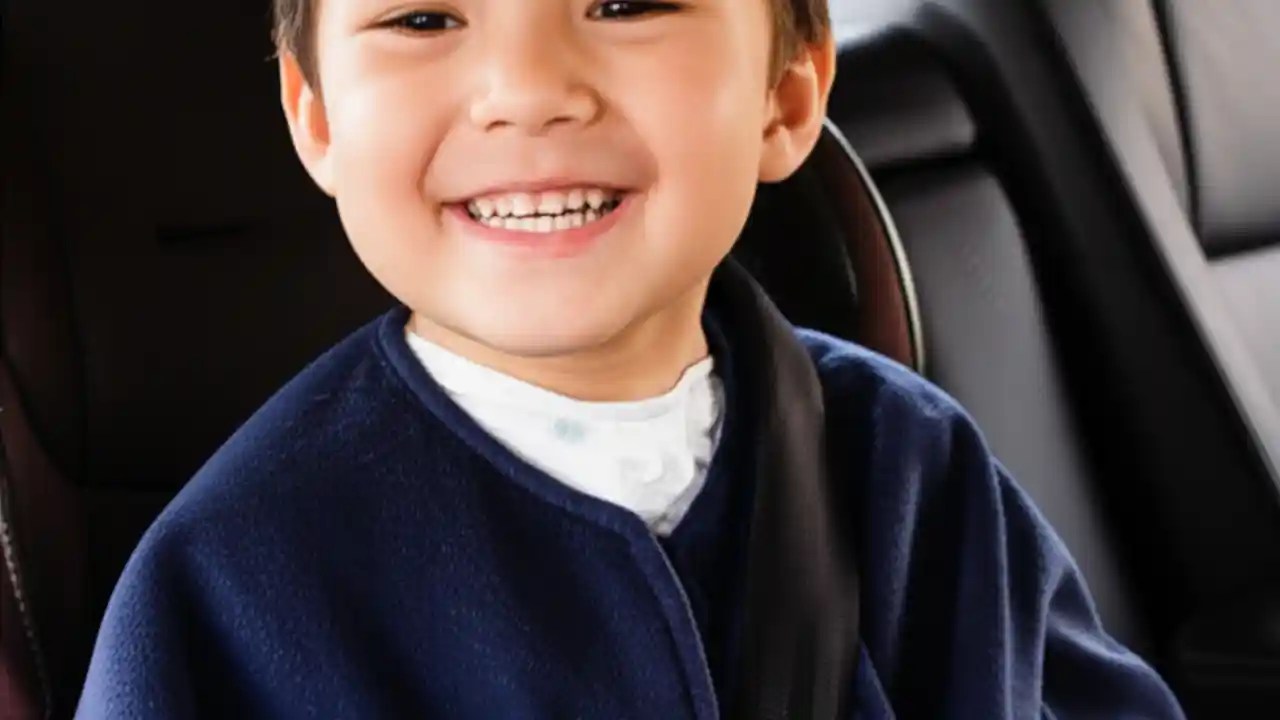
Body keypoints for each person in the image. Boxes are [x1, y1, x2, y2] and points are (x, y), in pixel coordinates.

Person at [77, 0, 1186, 717]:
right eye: (422, 18)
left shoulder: (908, 468)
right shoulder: (231, 581)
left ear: (786, 94)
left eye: (623, 3)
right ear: (315, 118)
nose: (526, 92)